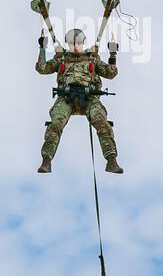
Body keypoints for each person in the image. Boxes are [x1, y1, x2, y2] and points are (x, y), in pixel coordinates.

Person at [36, 27, 122, 174]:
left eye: (78, 42)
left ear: (83, 43)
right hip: (66, 97)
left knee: (101, 122)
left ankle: (111, 161)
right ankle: (46, 161)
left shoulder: (92, 58)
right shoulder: (61, 58)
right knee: (56, 123)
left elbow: (110, 73)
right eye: (71, 42)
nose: (75, 45)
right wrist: (42, 49)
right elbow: (42, 68)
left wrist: (113, 53)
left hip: (89, 97)